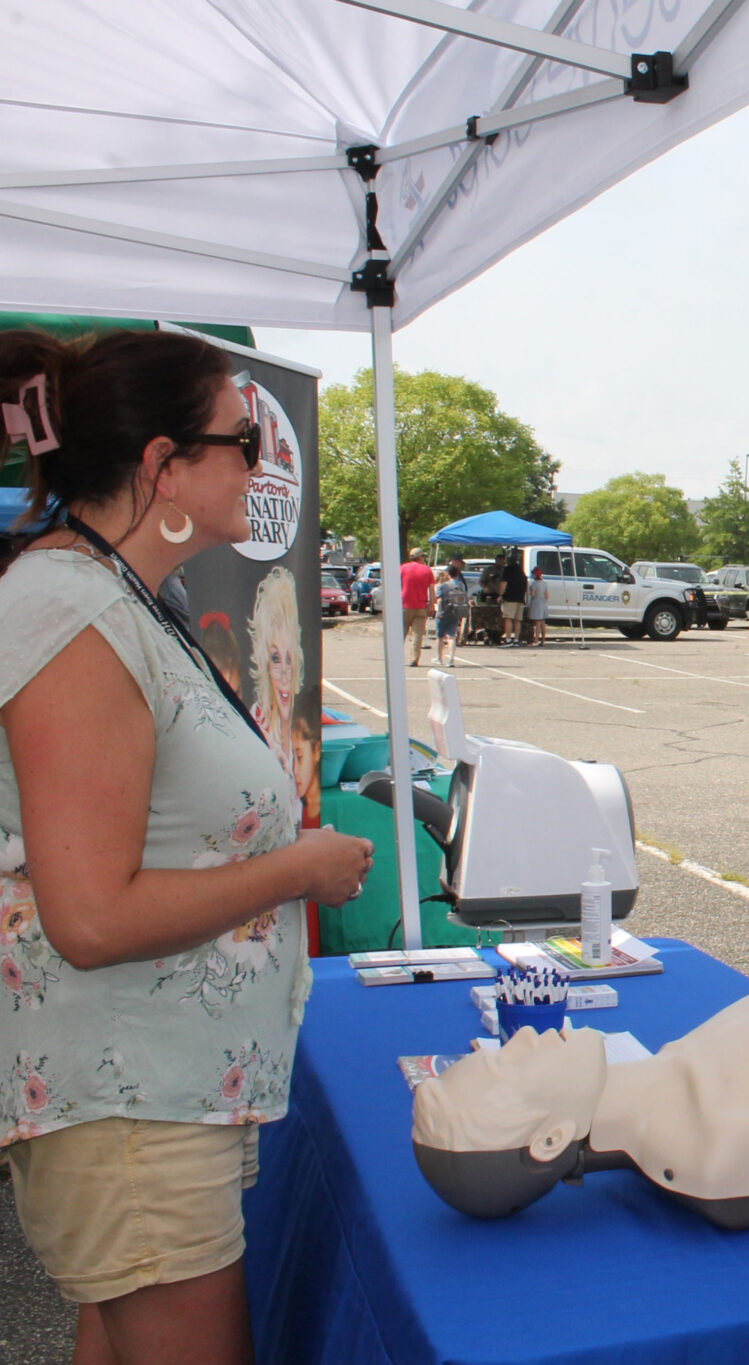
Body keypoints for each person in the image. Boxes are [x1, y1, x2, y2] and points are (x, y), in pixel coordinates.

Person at [0, 328, 373, 1365]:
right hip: (128, 1106)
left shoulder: (118, 595)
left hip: (155, 1093)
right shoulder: (69, 611)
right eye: (242, 440)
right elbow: (91, 916)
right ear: (163, 464)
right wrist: (297, 866)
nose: (259, 465)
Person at [248, 566, 320, 825]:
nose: (285, 672)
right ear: (264, 661)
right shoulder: (254, 726)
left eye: (290, 658)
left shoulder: (300, 723)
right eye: (276, 658)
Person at [399, 547, 432, 666]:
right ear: (420, 557)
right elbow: (431, 590)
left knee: (401, 631)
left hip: (404, 605)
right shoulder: (427, 570)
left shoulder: (402, 568)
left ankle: (396, 656)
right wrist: (432, 605)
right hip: (421, 606)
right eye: (423, 556)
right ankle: (414, 658)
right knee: (418, 634)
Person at [435, 559, 470, 667]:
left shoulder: (442, 586)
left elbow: (439, 600)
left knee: (440, 636)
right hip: (456, 612)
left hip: (444, 612)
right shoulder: (461, 585)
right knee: (451, 636)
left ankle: (439, 658)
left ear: (448, 574)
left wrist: (438, 610)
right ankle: (451, 659)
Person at [499, 552, 527, 646]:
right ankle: (516, 639)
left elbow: (504, 583)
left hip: (510, 597)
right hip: (520, 598)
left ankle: (508, 639)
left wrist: (500, 594)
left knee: (509, 618)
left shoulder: (507, 570)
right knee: (518, 620)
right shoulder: (521, 571)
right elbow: (525, 584)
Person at [527, 566, 549, 646]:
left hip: (536, 603)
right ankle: (543, 640)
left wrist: (530, 591)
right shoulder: (544, 583)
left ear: (535, 575)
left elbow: (532, 594)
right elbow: (547, 596)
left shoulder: (534, 584)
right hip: (543, 603)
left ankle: (536, 640)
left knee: (537, 623)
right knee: (542, 622)